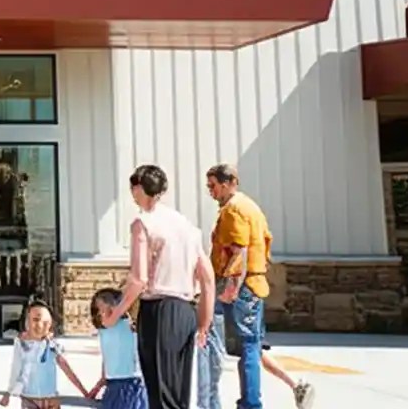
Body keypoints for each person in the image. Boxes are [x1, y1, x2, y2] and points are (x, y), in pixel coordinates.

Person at [199, 163, 312, 409]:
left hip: (240, 287)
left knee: (241, 345)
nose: (211, 191)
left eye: (213, 186)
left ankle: (250, 403)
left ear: (229, 183)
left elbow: (239, 251)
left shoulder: (233, 210)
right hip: (254, 283)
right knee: (252, 345)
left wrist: (231, 288)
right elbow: (264, 242)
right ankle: (294, 386)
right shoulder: (251, 207)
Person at [102, 165, 214, 409]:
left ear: (139, 189)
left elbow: (139, 279)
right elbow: (207, 278)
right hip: (186, 311)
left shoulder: (142, 223)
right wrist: (204, 324)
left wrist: (116, 314)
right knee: (178, 394)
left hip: (159, 310)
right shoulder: (186, 226)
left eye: (134, 187)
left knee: (160, 392)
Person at [0, 301, 89, 409]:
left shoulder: (52, 345)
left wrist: (83, 391)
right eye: (35, 320)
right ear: (27, 322)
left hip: (50, 399)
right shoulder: (21, 344)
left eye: (45, 322)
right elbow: (16, 368)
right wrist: (8, 392)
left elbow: (66, 367)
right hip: (29, 398)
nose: (39, 325)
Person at [86, 288, 149, 409]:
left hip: (133, 382)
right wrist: (101, 382)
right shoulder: (103, 330)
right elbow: (107, 355)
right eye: (98, 312)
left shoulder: (131, 326)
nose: (101, 314)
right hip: (113, 385)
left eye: (105, 310)